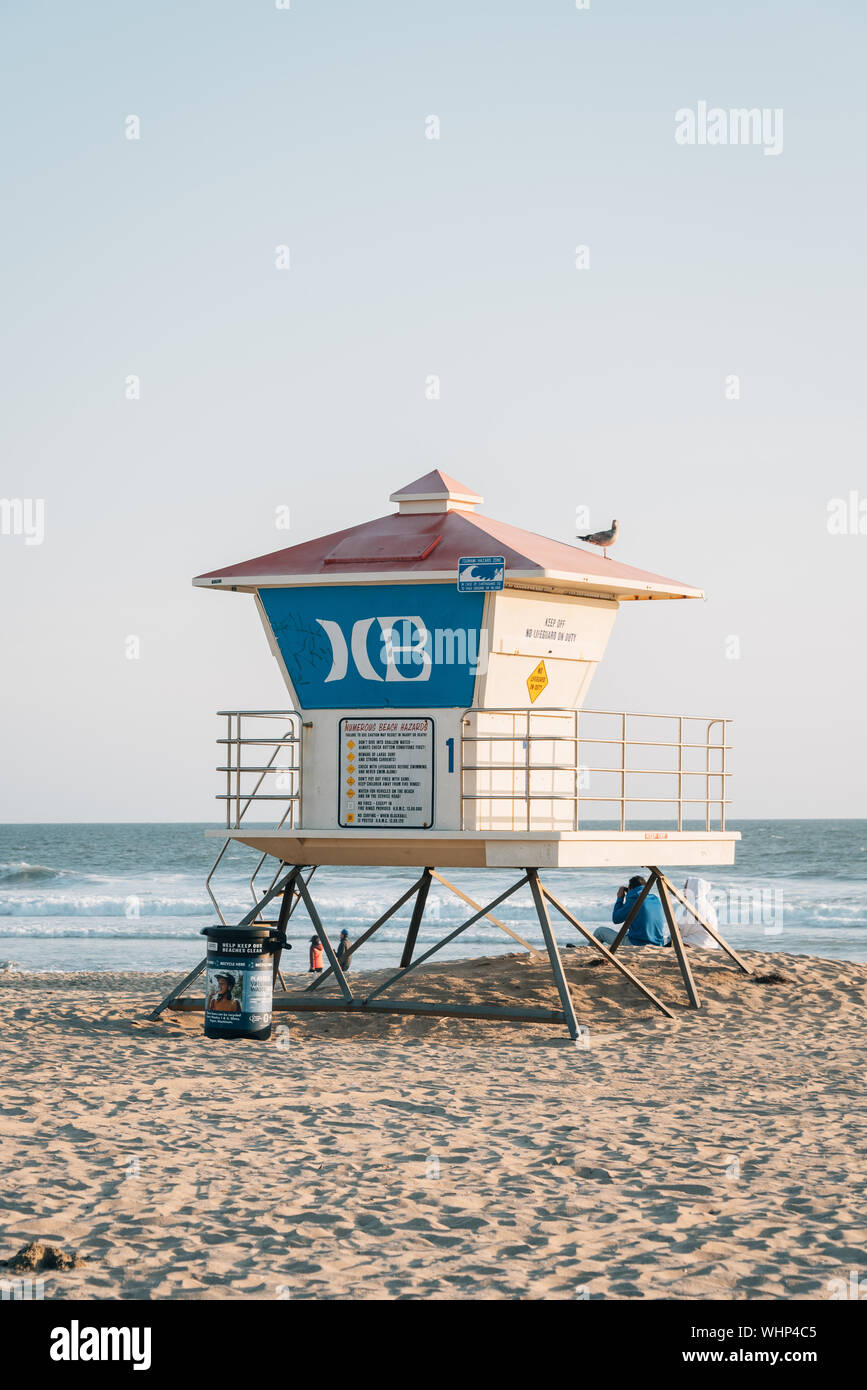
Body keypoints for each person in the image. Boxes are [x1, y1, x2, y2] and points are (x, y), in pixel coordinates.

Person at [605, 875, 668, 946]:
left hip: (637, 944)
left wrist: (620, 898)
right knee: (626, 933)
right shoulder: (655, 898)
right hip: (658, 944)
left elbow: (616, 919)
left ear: (630, 888)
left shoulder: (633, 899)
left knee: (600, 932)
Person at [674, 876, 720, 949]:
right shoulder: (707, 905)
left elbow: (680, 930)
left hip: (698, 943)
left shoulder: (693, 905)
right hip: (712, 943)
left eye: (686, 888)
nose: (684, 891)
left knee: (674, 941)